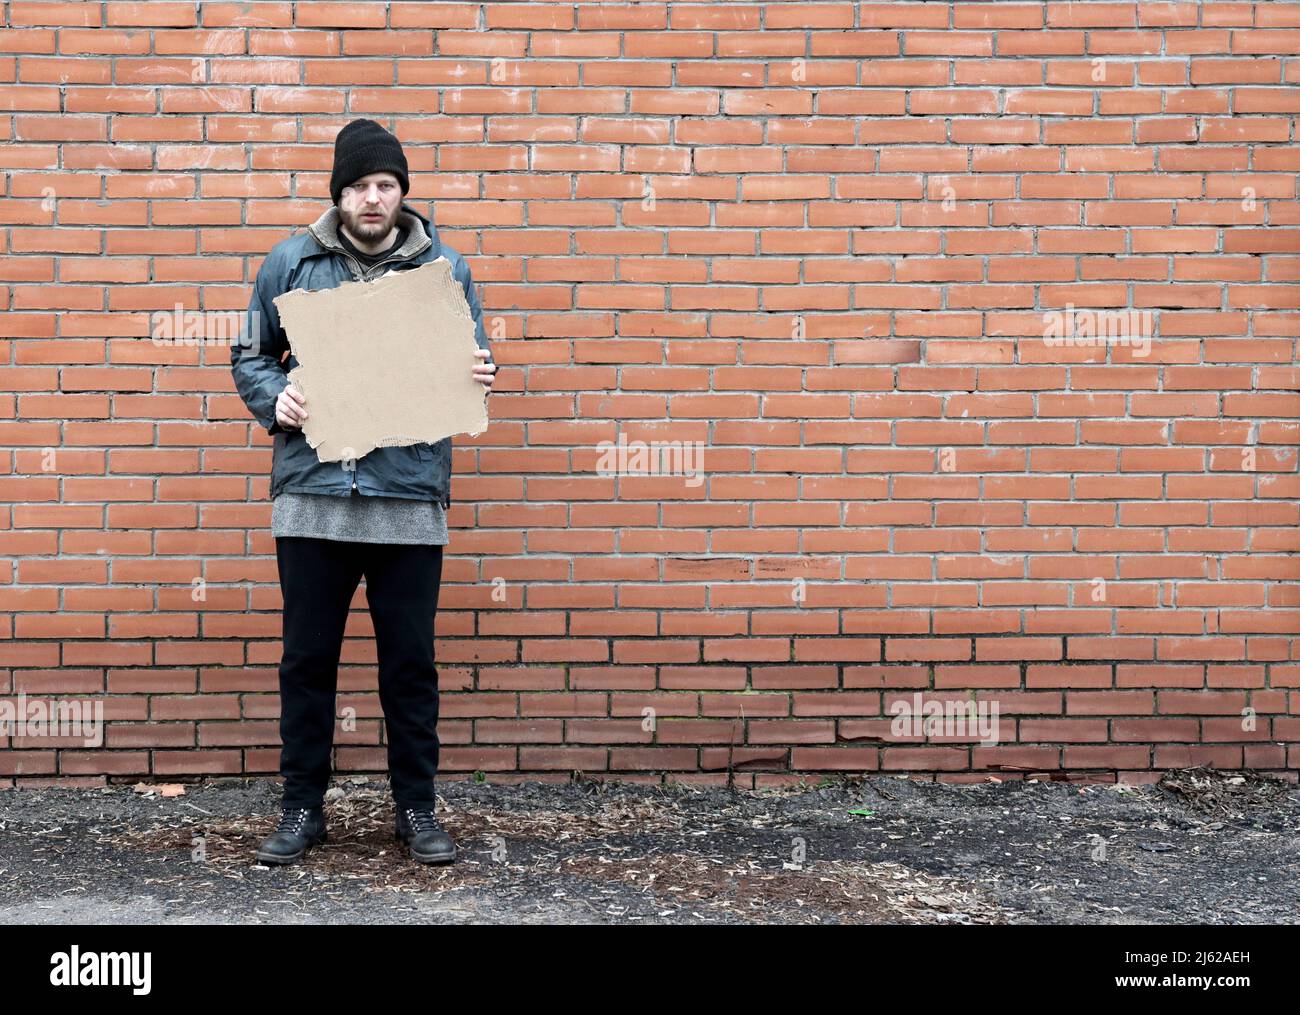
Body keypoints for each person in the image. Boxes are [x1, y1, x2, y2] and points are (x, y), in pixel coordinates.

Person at [229, 118, 495, 865]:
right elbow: (249, 353)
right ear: (339, 193)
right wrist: (272, 396)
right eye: (359, 186)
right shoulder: (290, 262)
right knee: (306, 661)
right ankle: (302, 807)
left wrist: (481, 374)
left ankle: (416, 808)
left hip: (406, 501)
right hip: (312, 495)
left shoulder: (444, 267)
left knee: (409, 664)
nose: (373, 198)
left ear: (401, 192)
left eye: (385, 185)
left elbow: (473, 359)